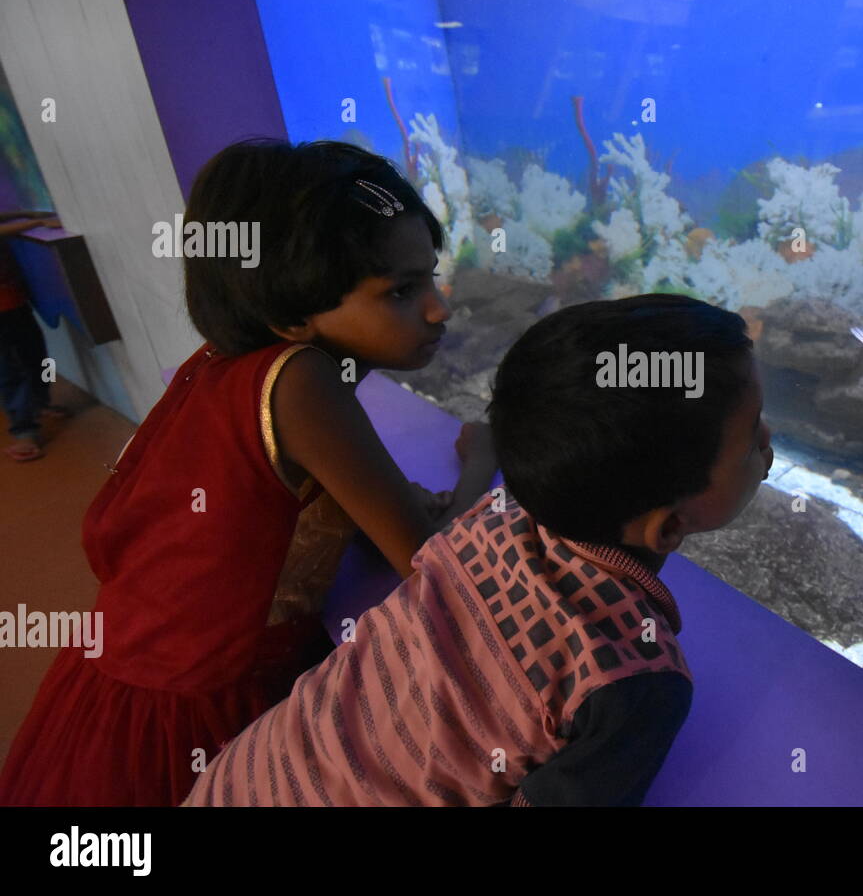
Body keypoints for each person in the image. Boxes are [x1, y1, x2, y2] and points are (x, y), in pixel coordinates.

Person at [0, 140, 498, 806]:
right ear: (291, 313)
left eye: (431, 277)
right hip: (199, 705)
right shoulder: (303, 381)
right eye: (403, 291)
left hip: (125, 665)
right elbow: (428, 559)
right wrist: (483, 462)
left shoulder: (228, 361)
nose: (439, 308)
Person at [184, 293, 775, 806]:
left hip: (241, 777)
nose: (768, 442)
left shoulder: (491, 522)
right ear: (668, 529)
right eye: (754, 436)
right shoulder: (636, 682)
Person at [0, 210, 69, 461]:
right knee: (11, 369)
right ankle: (24, 430)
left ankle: (40, 403)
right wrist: (36, 222)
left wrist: (28, 213)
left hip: (12, 301)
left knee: (35, 353)